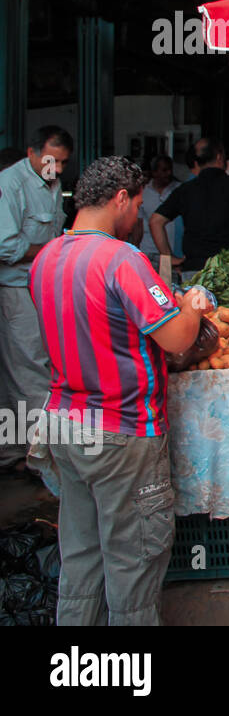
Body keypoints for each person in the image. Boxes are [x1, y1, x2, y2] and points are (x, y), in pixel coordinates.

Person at [29, 156, 214, 624]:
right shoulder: (122, 260)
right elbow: (176, 338)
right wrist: (191, 306)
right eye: (135, 206)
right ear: (120, 199)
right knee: (132, 561)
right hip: (122, 431)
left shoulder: (46, 258)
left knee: (82, 557)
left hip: (65, 424)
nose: (136, 217)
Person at [0, 126, 73, 469]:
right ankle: (39, 458)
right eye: (50, 160)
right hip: (16, 289)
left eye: (61, 163)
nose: (56, 169)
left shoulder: (51, 183)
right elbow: (5, 246)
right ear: (31, 152)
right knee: (28, 369)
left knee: (33, 364)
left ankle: (17, 452)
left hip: (41, 285)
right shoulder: (9, 184)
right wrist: (53, 250)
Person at [148, 138, 229, 275]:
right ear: (219, 157)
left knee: (192, 297)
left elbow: (155, 221)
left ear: (197, 162)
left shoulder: (185, 190)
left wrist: (169, 258)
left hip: (195, 271)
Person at [135, 155, 180, 266]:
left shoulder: (179, 190)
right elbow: (138, 225)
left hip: (172, 253)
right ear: (154, 172)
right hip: (148, 251)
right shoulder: (144, 192)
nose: (168, 173)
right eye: (164, 170)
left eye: (170, 169)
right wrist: (135, 249)